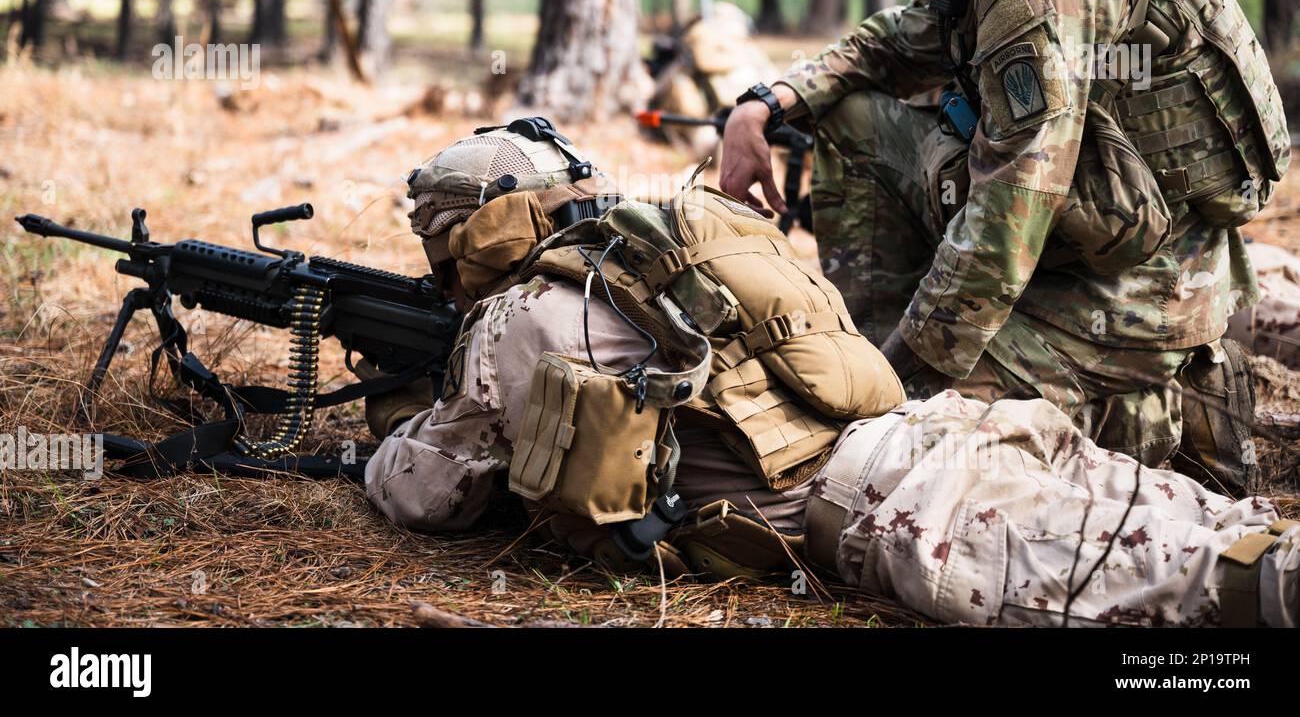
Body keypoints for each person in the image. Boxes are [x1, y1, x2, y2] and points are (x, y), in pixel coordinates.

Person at [365, 124, 1299, 627]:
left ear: (466, 238)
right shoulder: (658, 245)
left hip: (901, 511)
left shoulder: (517, 317)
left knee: (1229, 587)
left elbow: (430, 496)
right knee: (1232, 534)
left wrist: (394, 423)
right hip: (945, 432)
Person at [718, 0, 1290, 489]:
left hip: (1140, 291)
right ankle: (895, 350)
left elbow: (1004, 218)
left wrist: (892, 382)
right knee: (854, 116)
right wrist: (764, 103)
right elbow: (900, 41)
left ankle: (1153, 400)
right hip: (1089, 238)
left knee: (890, 452)